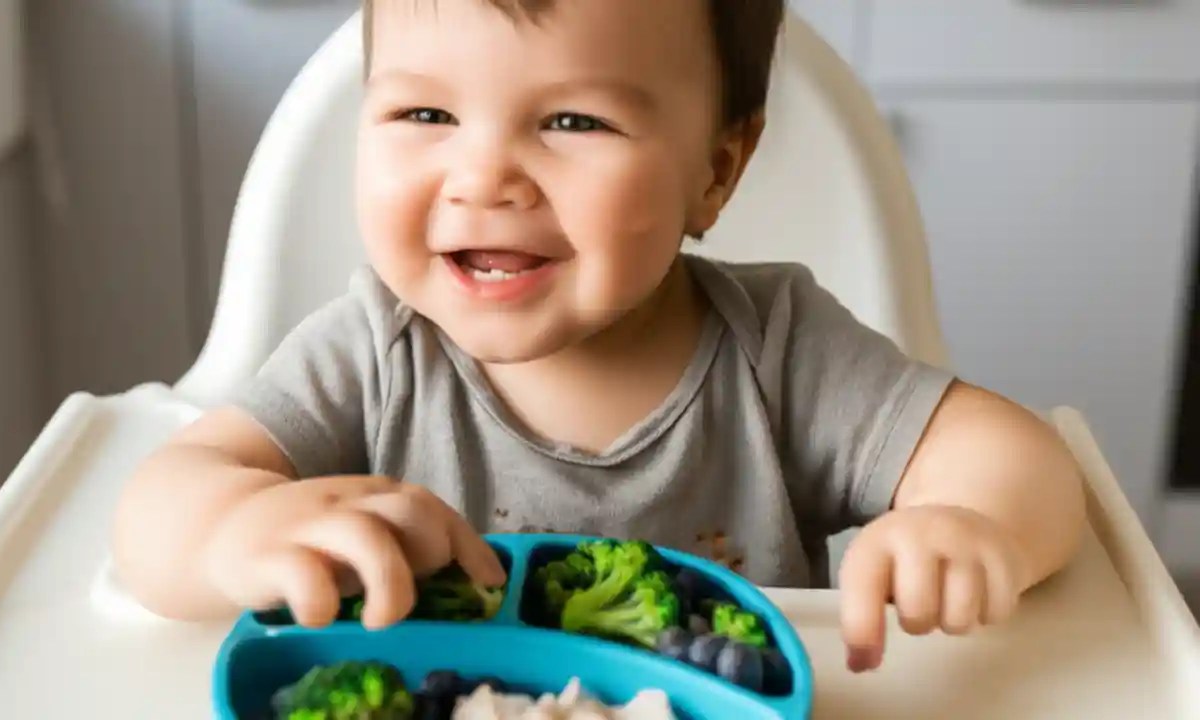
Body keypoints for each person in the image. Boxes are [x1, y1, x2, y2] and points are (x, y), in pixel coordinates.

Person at [111, 0, 1087, 673]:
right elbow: (160, 507)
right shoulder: (375, 353)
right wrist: (239, 533)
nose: (483, 176)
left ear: (714, 172)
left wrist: (967, 526)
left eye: (572, 120)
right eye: (425, 112)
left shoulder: (778, 351)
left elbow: (1016, 460)